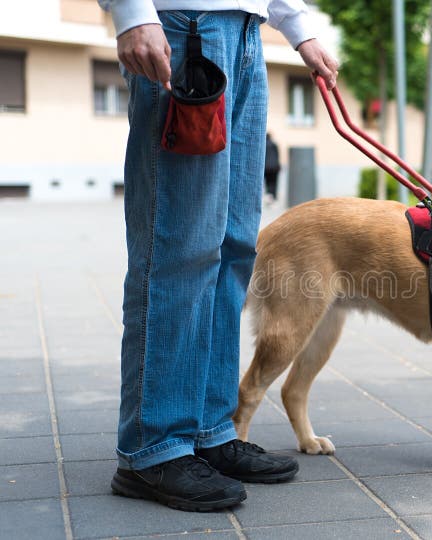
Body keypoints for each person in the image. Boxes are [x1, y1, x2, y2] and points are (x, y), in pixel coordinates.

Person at [97, 0, 338, 511]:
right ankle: (153, 447)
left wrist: (296, 27)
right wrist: (131, 12)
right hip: (184, 29)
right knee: (178, 249)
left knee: (232, 249)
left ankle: (209, 429)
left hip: (247, 34)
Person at [264, 132, 280, 202]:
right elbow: (277, 155)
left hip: (266, 167)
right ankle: (273, 196)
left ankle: (268, 195)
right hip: (274, 167)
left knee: (267, 182)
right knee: (273, 183)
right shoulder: (274, 144)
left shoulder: (264, 145)